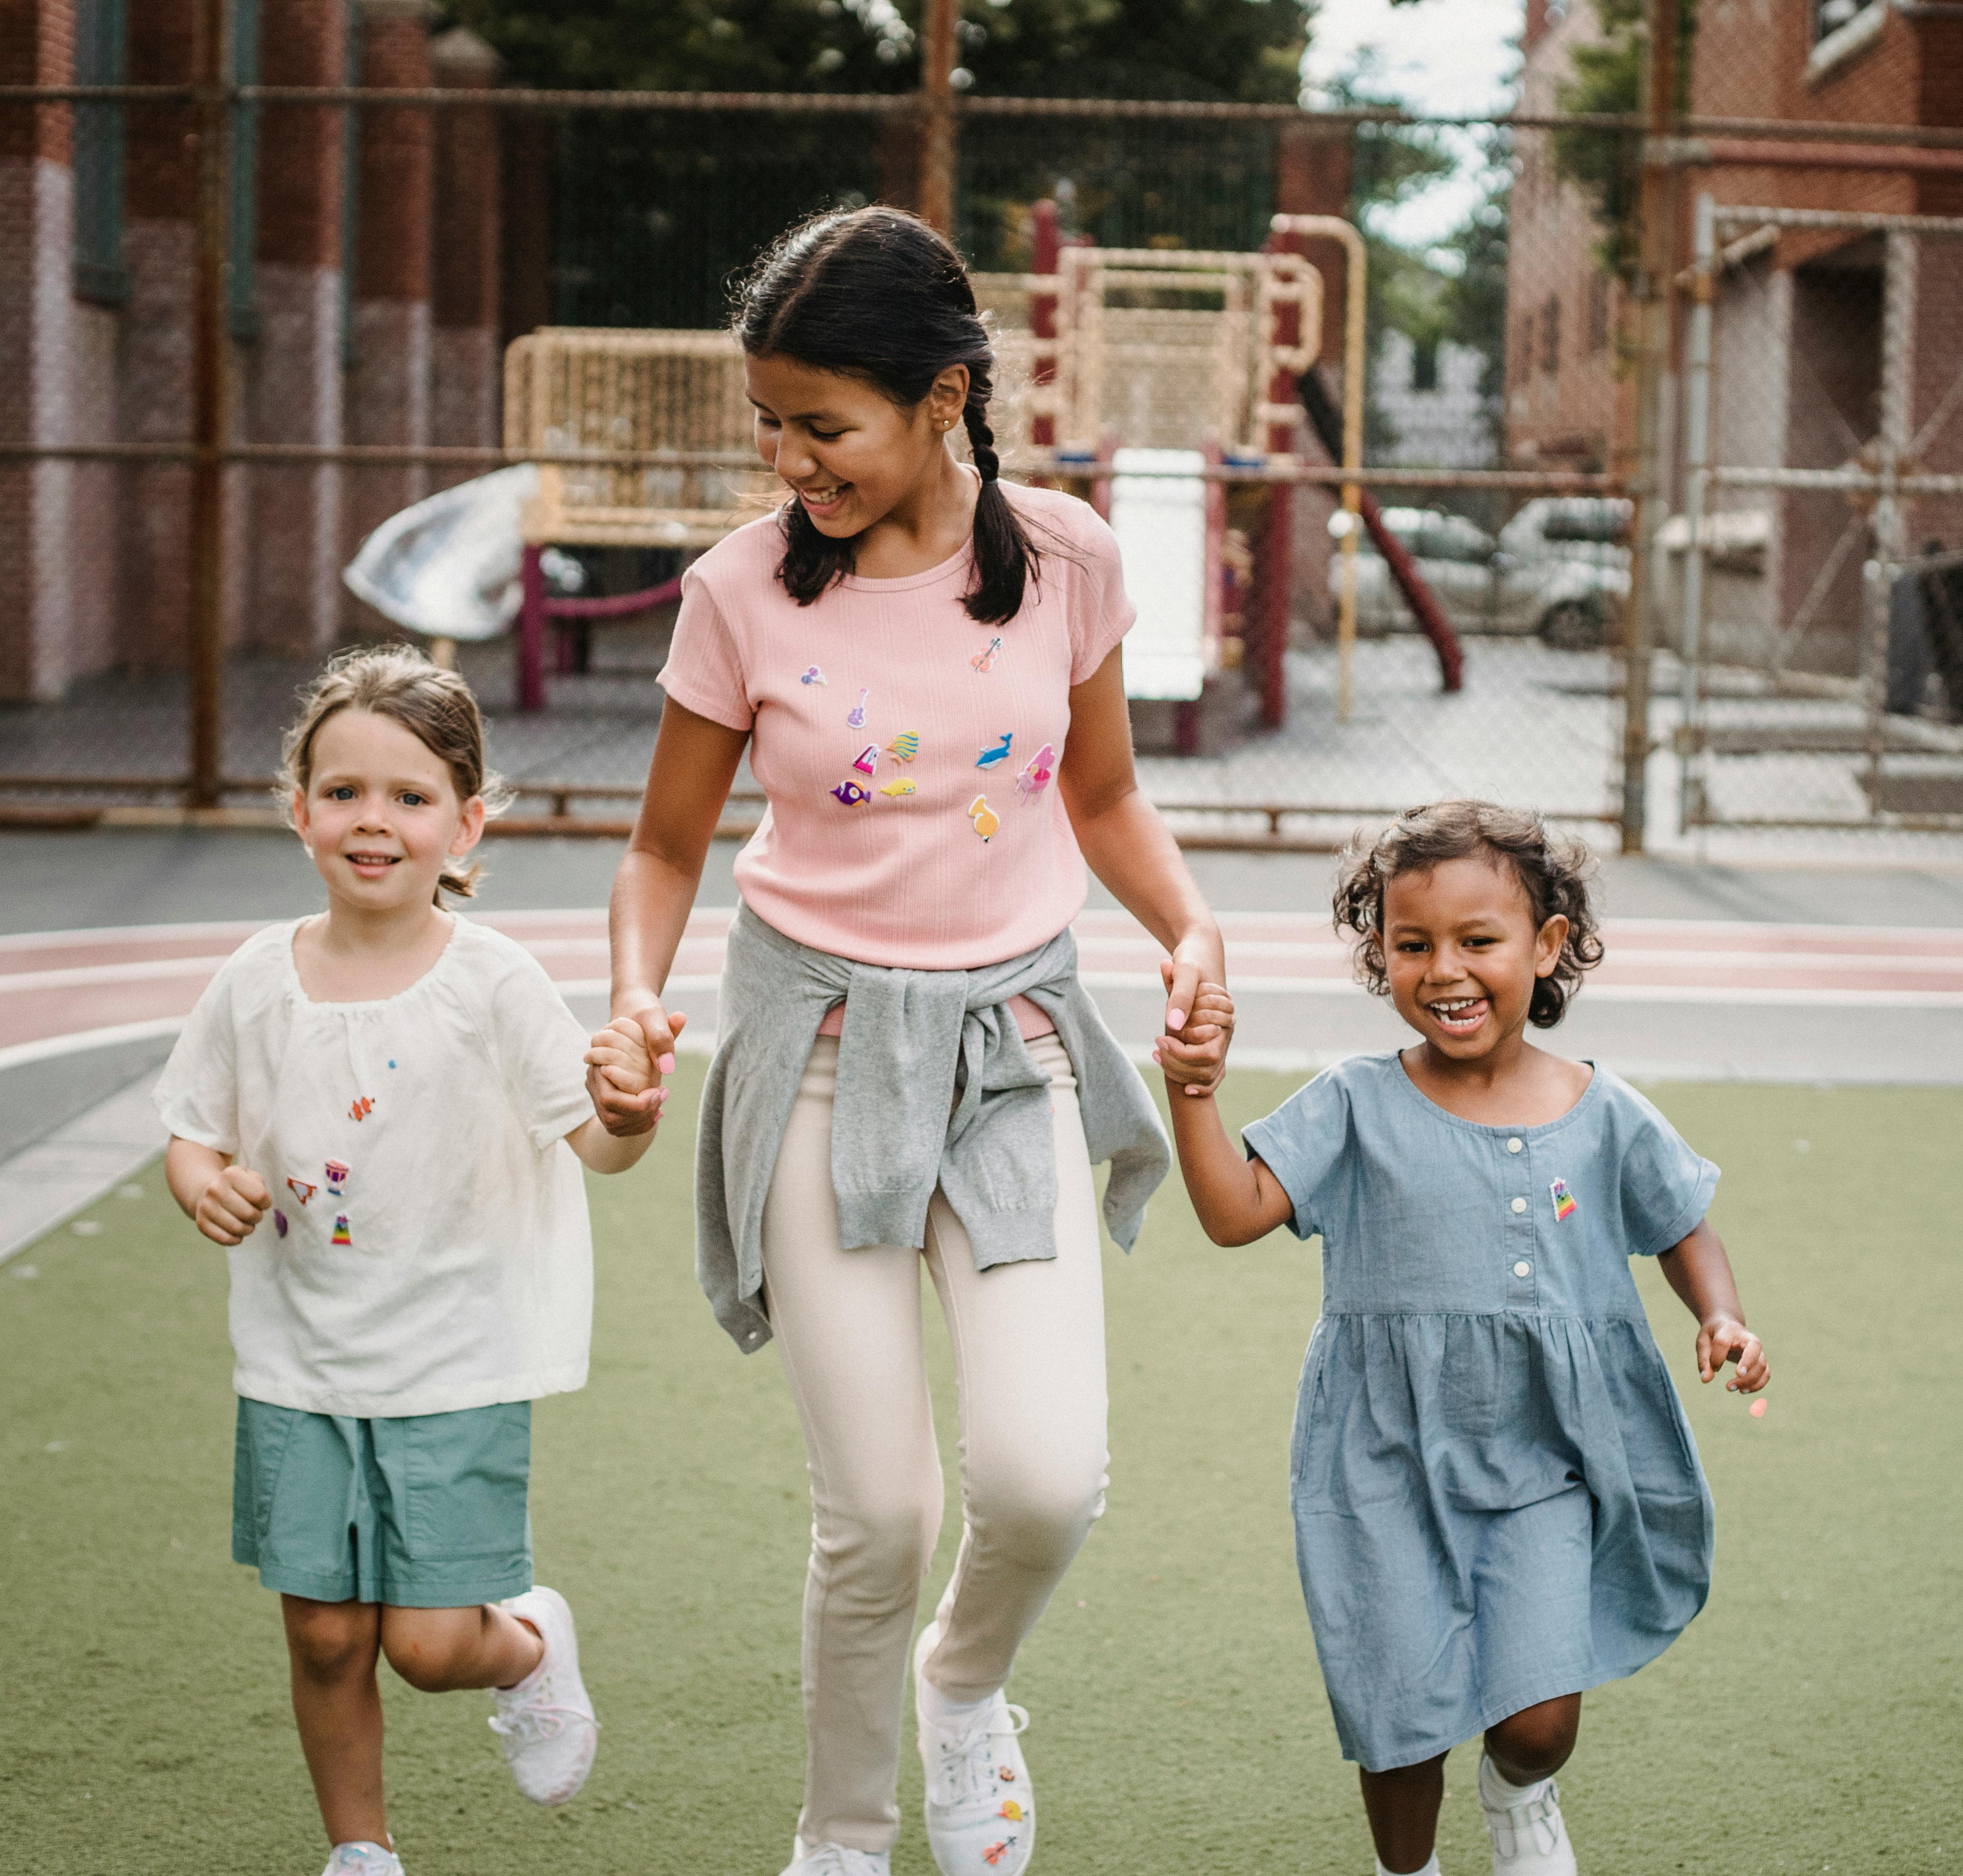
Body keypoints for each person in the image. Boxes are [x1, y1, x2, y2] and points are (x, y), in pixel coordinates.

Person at [582, 205, 1229, 1876]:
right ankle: (845, 1838)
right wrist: (640, 992)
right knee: (877, 1514)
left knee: (1041, 1482)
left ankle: (965, 1685)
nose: (794, 460)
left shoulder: (1072, 559)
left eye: (826, 424)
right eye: (774, 425)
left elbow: (1102, 795)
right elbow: (665, 848)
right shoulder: (742, 588)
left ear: (946, 398)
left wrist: (1191, 929)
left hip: (1010, 1051)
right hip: (811, 1047)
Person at [1159, 800, 1771, 1876]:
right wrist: (1193, 1090)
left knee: (1538, 1721)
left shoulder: (1605, 1109)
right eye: (1412, 944)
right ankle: (1409, 1870)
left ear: (1545, 947)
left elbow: (1681, 1220)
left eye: (1478, 940)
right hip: (1381, 1455)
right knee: (1398, 1714)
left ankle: (1517, 1794)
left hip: (1545, 1453)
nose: (1445, 969)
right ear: (1380, 954)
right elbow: (1230, 1211)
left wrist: (1719, 1311)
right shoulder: (1354, 1102)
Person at [156, 646, 654, 1876]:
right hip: (298, 1360)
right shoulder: (255, 982)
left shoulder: (494, 983)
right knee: (326, 1635)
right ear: (299, 807)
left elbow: (595, 1140)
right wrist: (203, 1186)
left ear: (467, 821)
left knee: (431, 1648)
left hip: (456, 1360)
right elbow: (190, 1128)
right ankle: (361, 1852)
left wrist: (630, 1109)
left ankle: (530, 1645)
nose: (373, 820)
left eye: (411, 796)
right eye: (344, 792)